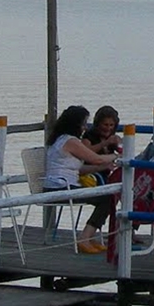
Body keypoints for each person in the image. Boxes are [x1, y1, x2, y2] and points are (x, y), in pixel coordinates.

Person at [42, 104, 118, 252]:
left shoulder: (59, 140)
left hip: (58, 186)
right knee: (107, 199)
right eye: (83, 124)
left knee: (105, 196)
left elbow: (80, 169)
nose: (85, 128)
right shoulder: (70, 141)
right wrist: (117, 156)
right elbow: (96, 159)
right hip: (61, 188)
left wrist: (103, 167)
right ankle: (85, 238)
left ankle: (89, 236)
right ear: (75, 124)